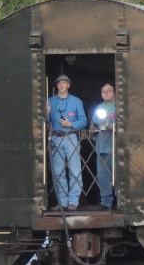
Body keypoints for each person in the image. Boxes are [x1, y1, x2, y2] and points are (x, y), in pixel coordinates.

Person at [46, 74, 87, 210]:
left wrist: (71, 124)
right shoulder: (49, 101)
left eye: (64, 83)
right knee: (58, 172)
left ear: (68, 85)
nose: (62, 85)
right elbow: (45, 121)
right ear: (57, 86)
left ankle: (73, 202)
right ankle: (62, 202)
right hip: (56, 138)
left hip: (71, 137)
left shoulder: (77, 102)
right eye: (59, 83)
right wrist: (46, 113)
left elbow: (83, 121)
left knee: (74, 171)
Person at [92, 83, 116, 209]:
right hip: (101, 146)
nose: (106, 93)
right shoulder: (98, 108)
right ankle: (106, 202)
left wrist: (111, 126)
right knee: (103, 175)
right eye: (103, 91)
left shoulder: (119, 107)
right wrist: (94, 129)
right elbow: (93, 125)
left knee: (118, 175)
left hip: (115, 147)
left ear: (114, 93)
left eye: (109, 90)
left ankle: (120, 201)